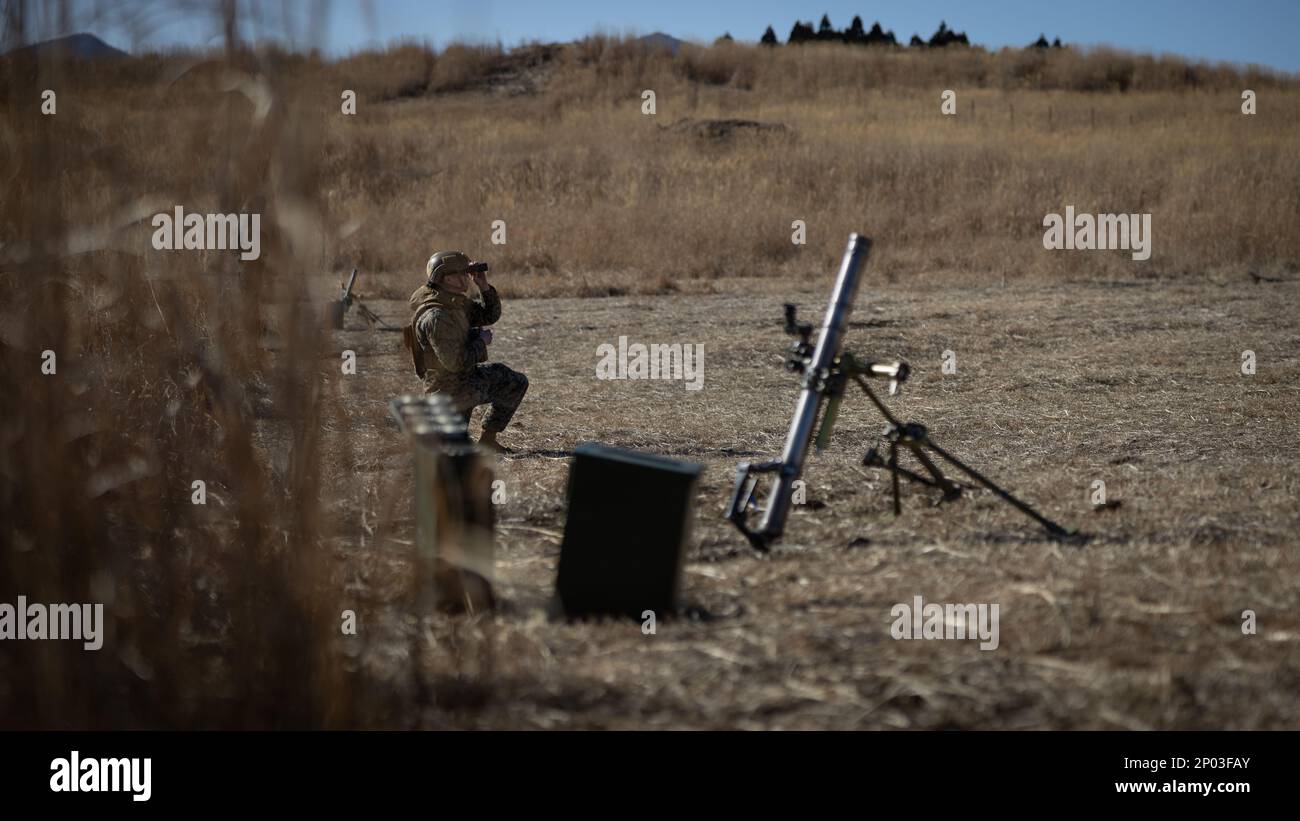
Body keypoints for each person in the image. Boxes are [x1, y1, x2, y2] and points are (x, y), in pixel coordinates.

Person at [403, 251, 528, 452]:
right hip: (446, 392)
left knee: (513, 380)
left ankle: (487, 440)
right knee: (451, 452)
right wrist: (481, 342)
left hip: (462, 380)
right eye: (461, 273)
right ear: (445, 277)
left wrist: (484, 286)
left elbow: (489, 315)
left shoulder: (452, 302)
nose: (466, 278)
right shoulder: (437, 316)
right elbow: (454, 362)